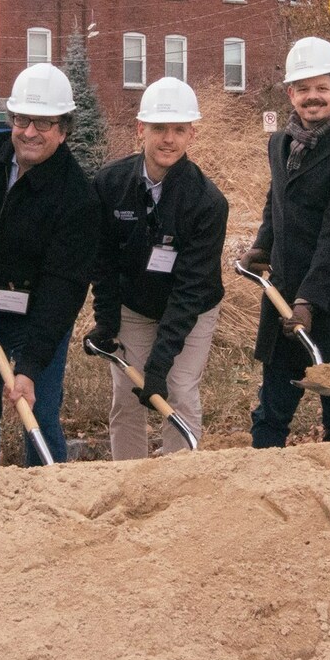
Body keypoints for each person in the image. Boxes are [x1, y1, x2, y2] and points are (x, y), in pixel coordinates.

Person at [0, 63, 100, 466]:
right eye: (22, 119)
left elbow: (64, 289)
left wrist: (30, 366)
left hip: (38, 318)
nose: (29, 132)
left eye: (43, 122)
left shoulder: (77, 197)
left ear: (63, 130)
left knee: (38, 412)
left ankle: (48, 491)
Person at [245, 37, 330, 448]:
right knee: (270, 414)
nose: (312, 97)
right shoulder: (279, 143)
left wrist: (308, 300)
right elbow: (277, 200)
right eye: (303, 88)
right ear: (291, 94)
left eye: (322, 87)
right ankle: (263, 481)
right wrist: (262, 246)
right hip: (285, 298)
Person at [86, 76, 227, 460]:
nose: (168, 139)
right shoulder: (110, 184)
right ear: (140, 130)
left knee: (177, 390)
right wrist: (106, 323)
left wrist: (160, 366)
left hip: (192, 308)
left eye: (179, 130)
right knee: (127, 394)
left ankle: (179, 479)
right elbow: (103, 262)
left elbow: (190, 290)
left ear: (191, 135)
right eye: (159, 128)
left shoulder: (207, 202)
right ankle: (128, 477)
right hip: (134, 302)